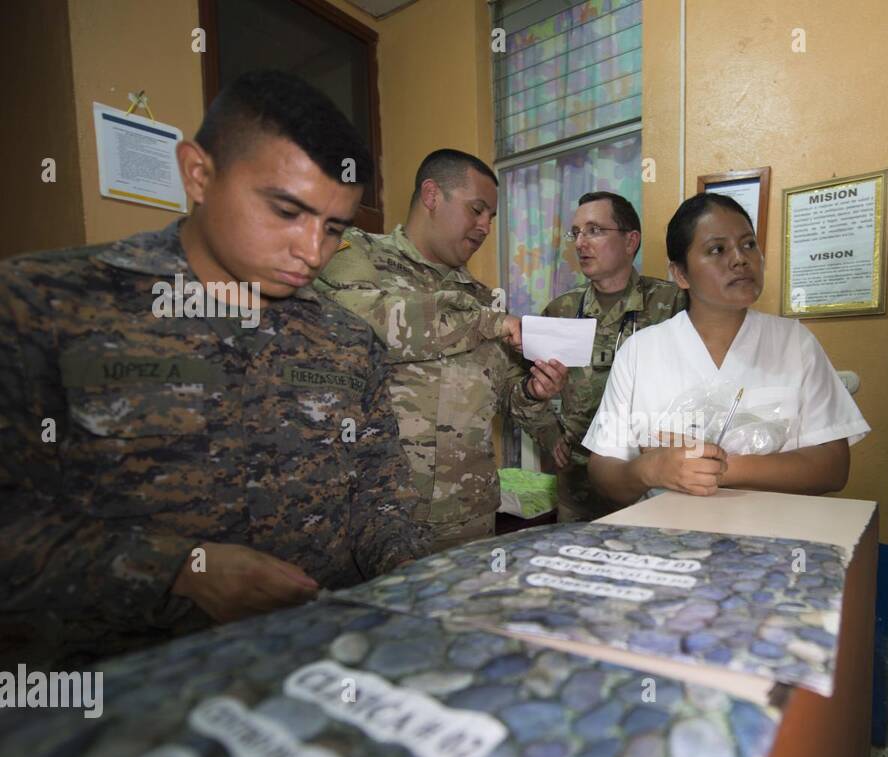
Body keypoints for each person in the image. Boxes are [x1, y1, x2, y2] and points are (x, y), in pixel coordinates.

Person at [0, 71, 432, 669]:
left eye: (334, 228)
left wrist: (415, 576)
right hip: (121, 681)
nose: (312, 251)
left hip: (311, 660)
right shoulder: (44, 305)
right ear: (198, 173)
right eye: (286, 211)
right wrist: (180, 570)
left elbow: (378, 490)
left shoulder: (346, 341)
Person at [315, 149, 567, 550]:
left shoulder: (483, 299)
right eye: (477, 209)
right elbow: (361, 325)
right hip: (376, 515)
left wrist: (533, 391)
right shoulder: (357, 253)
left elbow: (506, 394)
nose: (485, 227)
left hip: (468, 519)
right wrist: (489, 323)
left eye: (491, 217)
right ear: (432, 196)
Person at [584, 193, 869, 502]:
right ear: (680, 274)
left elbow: (833, 467)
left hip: (774, 538)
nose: (740, 259)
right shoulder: (640, 352)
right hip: (669, 537)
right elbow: (602, 472)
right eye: (717, 249)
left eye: (748, 244)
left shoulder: (794, 343)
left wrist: (720, 467)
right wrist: (648, 470)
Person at [539, 191, 686, 522]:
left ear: (631, 240)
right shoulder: (561, 311)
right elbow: (520, 383)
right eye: (576, 232)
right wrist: (547, 432)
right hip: (578, 492)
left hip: (650, 490)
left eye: (594, 230)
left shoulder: (673, 303)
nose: (580, 243)